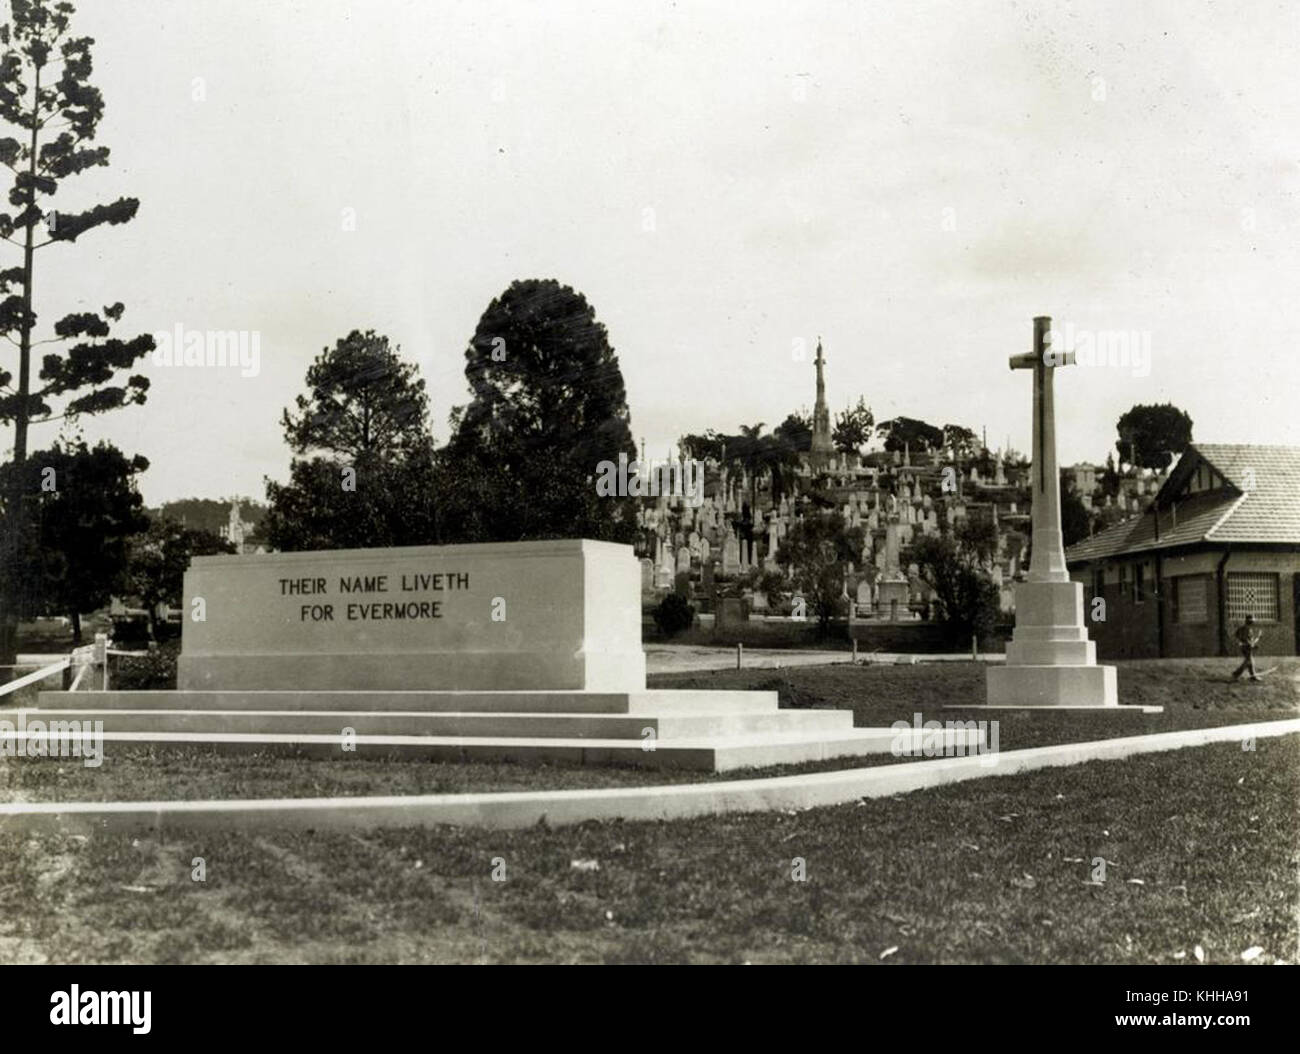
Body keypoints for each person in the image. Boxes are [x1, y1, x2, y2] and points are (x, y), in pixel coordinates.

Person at [1231, 614, 1263, 682]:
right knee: (1248, 661)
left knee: (1250, 661)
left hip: (1244, 646)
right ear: (1249, 621)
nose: (1253, 622)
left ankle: (1253, 676)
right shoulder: (1247, 629)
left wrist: (1256, 640)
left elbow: (1236, 635)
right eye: (1252, 621)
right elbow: (1248, 640)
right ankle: (1236, 674)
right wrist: (1253, 643)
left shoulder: (1243, 628)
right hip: (1246, 647)